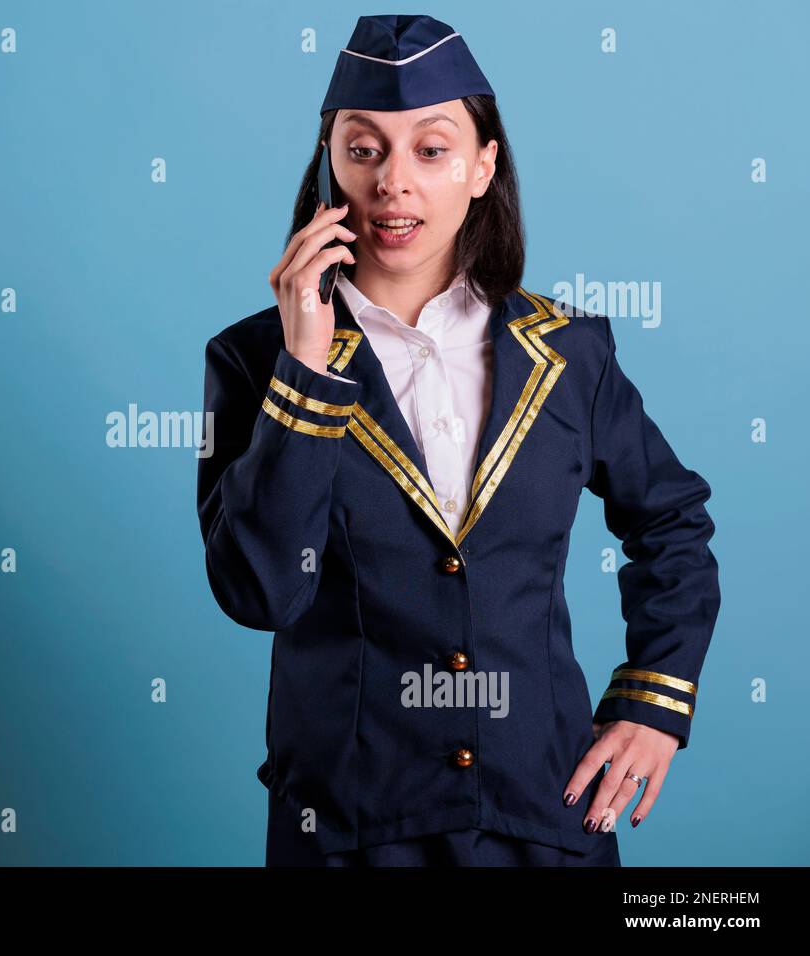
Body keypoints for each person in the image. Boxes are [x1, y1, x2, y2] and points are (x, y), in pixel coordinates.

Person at [196, 14, 721, 866]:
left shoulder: (568, 351)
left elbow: (672, 525)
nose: (393, 184)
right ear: (330, 165)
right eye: (363, 150)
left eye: (431, 151)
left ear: (484, 166)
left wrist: (652, 705)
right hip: (347, 831)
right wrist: (305, 367)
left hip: (545, 817)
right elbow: (261, 594)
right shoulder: (256, 359)